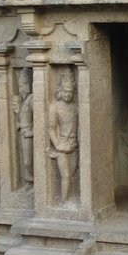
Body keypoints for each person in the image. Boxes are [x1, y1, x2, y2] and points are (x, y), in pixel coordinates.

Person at [48, 72, 78, 203]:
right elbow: (51, 128)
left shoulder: (76, 107)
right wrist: (58, 144)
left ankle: (69, 198)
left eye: (70, 91)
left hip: (74, 144)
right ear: (60, 91)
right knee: (65, 176)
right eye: (65, 91)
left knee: (72, 175)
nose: (68, 94)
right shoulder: (54, 107)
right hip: (62, 145)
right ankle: (64, 201)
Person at [12, 68, 34, 187]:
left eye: (23, 85)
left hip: (29, 134)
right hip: (23, 132)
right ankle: (29, 183)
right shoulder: (23, 100)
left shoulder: (32, 100)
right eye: (20, 85)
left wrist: (32, 132)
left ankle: (33, 181)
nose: (21, 88)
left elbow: (40, 119)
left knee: (27, 162)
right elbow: (20, 120)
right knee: (24, 160)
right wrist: (17, 113)